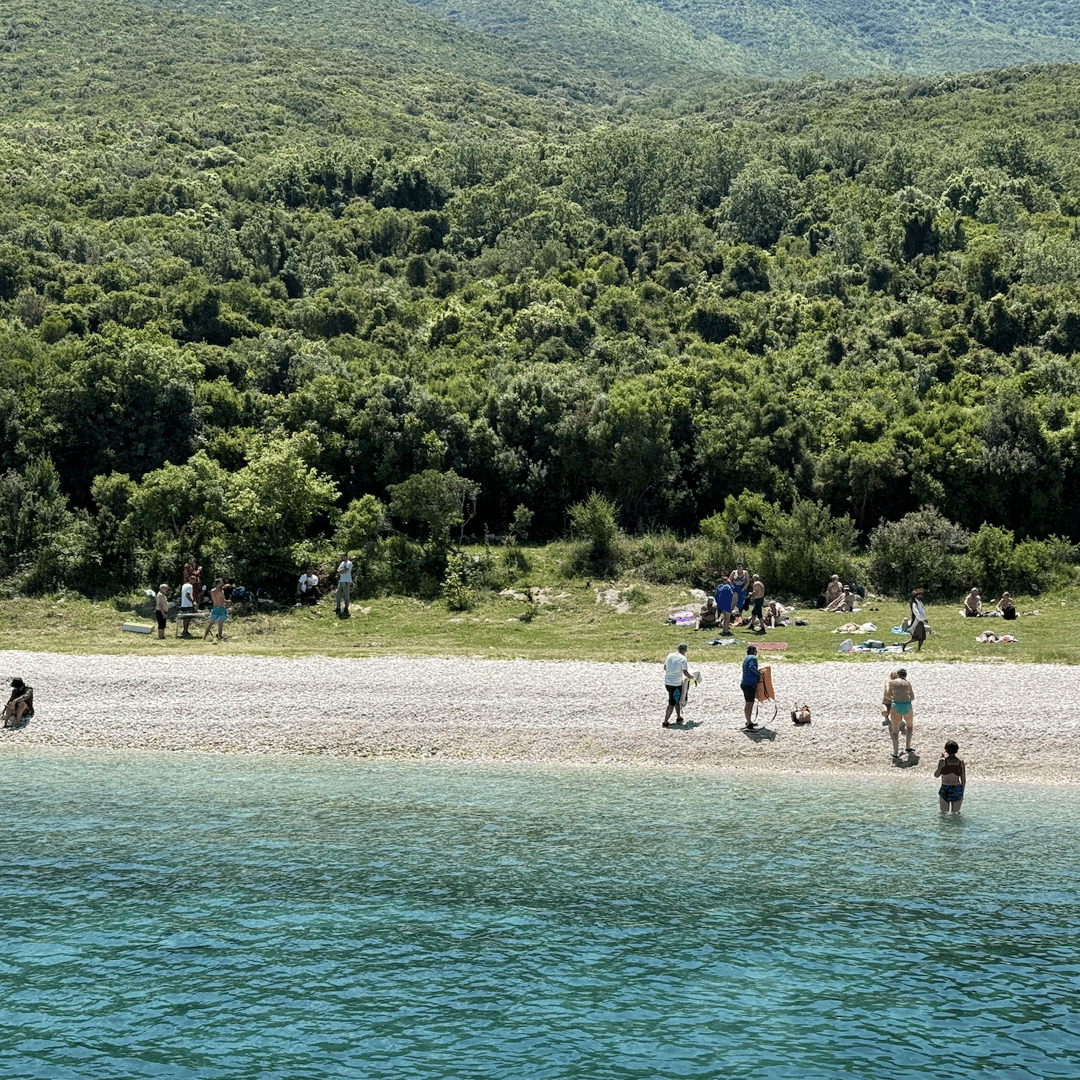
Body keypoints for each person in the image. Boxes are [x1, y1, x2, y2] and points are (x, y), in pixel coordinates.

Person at [887, 668, 915, 759]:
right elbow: (912, 696)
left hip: (896, 705)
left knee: (895, 730)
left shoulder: (892, 682)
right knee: (909, 726)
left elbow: (888, 695)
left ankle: (895, 752)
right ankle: (908, 747)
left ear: (898, 674)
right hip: (907, 705)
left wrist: (895, 698)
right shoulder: (908, 683)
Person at [662, 643, 691, 727]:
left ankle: (679, 717)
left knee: (676, 700)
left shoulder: (670, 655)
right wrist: (691, 677)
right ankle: (665, 721)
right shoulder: (683, 658)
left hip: (667, 682)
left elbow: (665, 667)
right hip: (676, 684)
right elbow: (685, 672)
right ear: (684, 650)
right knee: (671, 703)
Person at [934, 741, 966, 813]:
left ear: (945, 750)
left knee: (943, 813)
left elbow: (936, 775)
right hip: (957, 788)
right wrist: (962, 791)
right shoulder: (960, 762)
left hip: (945, 788)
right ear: (957, 750)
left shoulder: (943, 761)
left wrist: (940, 766)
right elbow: (963, 779)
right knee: (956, 814)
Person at [741, 644, 760, 729]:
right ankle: (749, 723)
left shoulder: (746, 658)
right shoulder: (753, 658)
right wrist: (758, 674)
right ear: (754, 651)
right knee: (749, 704)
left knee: (748, 703)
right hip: (749, 684)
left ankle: (748, 721)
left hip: (744, 683)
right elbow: (752, 667)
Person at [335, 553, 354, 618]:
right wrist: (341, 571)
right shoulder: (342, 563)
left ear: (346, 557)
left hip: (346, 581)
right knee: (338, 593)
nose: (341, 558)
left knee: (346, 594)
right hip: (341, 580)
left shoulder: (349, 563)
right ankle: (338, 607)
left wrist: (341, 571)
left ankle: (346, 607)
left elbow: (345, 571)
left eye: (342, 556)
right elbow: (338, 570)